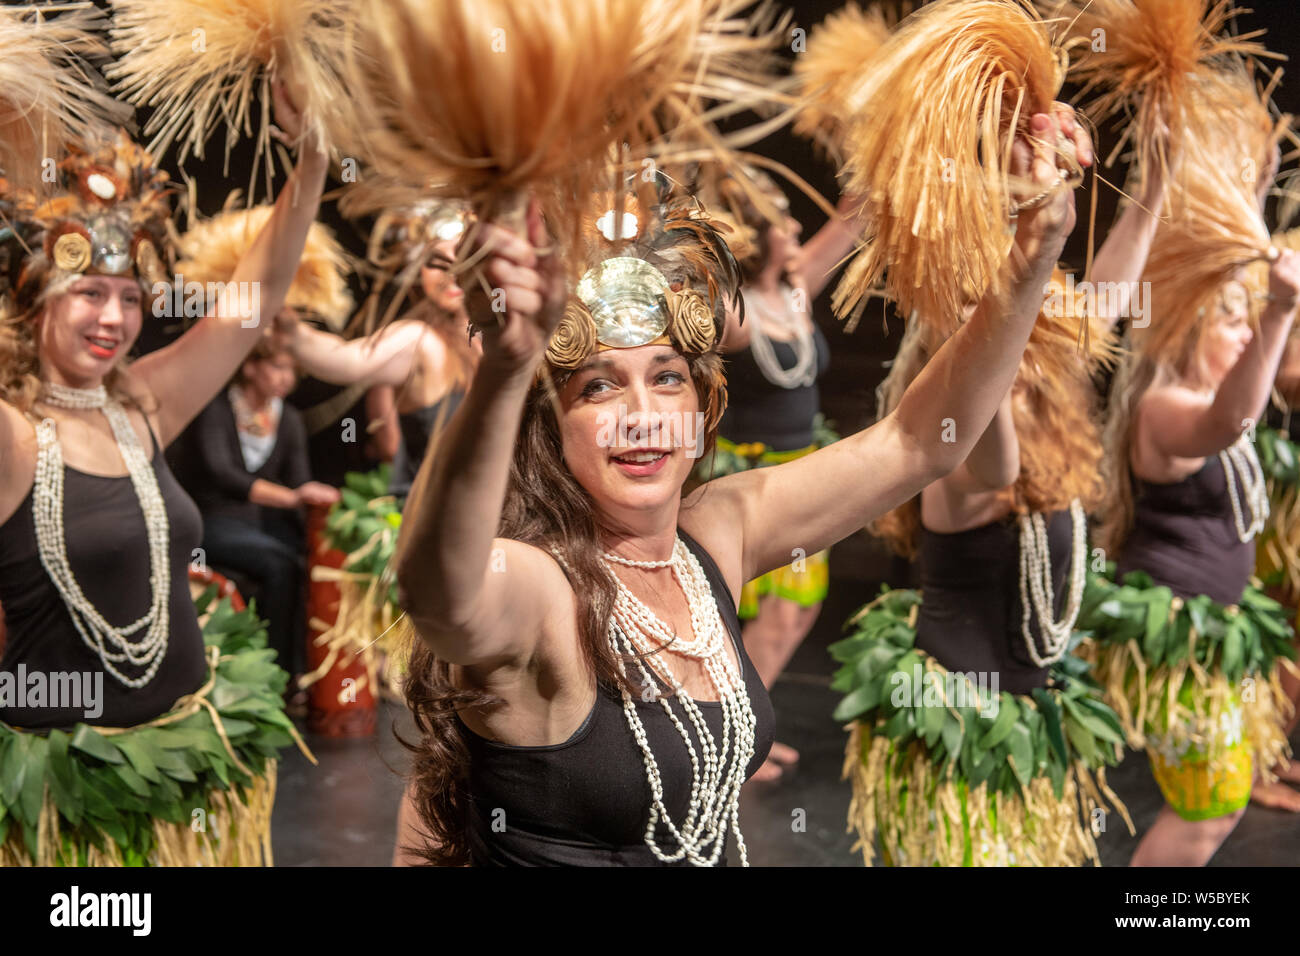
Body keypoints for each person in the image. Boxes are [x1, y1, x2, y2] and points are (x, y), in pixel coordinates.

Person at [390, 108, 1090, 866]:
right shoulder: (539, 589)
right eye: (597, 389)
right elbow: (441, 592)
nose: (643, 417)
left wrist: (1034, 248)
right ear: (551, 427)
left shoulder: (715, 533)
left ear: (703, 404)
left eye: (666, 380)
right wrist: (503, 371)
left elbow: (920, 441)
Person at [0, 83, 325, 864]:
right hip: (75, 801)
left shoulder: (143, 403)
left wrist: (312, 157)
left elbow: (253, 302)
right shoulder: (13, 435)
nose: (113, 318)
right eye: (87, 293)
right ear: (37, 298)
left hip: (181, 765)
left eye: (129, 297)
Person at [1089, 254, 1300, 866]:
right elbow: (1234, 420)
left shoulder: (1192, 394)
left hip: (1213, 635)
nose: (1246, 335)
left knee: (1217, 802)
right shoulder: (1162, 407)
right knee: (1207, 807)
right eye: (1232, 323)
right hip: (1176, 646)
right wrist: (1280, 307)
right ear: (1186, 331)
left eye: (1247, 322)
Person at [695, 171, 861, 781]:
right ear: (750, 238)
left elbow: (850, 221)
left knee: (793, 609)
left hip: (799, 473)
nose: (795, 230)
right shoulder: (732, 314)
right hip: (746, 479)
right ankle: (726, 745)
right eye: (781, 221)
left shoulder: (794, 289)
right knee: (736, 611)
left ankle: (741, 735)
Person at [279, 201, 479, 499]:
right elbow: (348, 361)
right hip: (433, 517)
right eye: (435, 262)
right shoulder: (419, 340)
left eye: (462, 259)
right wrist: (289, 329)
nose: (450, 272)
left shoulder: (504, 343)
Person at [179, 337, 339, 677]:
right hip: (215, 520)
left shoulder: (289, 418)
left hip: (264, 525)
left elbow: (299, 479)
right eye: (278, 367)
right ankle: (275, 670)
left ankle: (304, 673)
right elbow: (223, 475)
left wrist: (313, 500)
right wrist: (293, 498)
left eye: (291, 370)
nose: (287, 378)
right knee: (279, 563)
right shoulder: (217, 409)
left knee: (306, 560)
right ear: (250, 366)